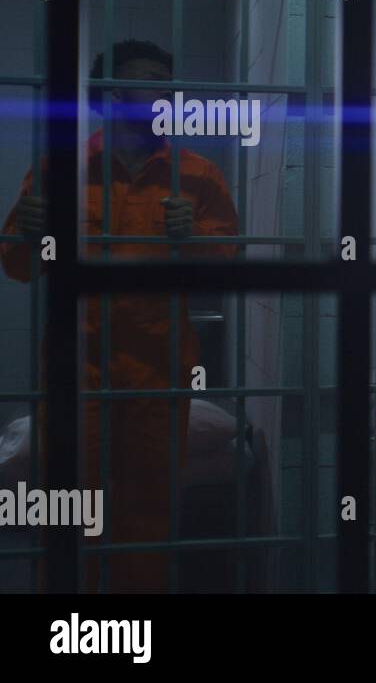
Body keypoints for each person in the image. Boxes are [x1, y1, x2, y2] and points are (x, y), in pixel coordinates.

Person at [0, 39, 239, 592]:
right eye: (143, 80)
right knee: (70, 509)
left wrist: (194, 237)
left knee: (147, 517)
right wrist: (28, 232)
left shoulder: (199, 174)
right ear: (108, 95)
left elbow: (227, 267)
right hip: (77, 370)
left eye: (165, 83)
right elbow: (16, 265)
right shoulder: (62, 168)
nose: (159, 93)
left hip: (160, 371)